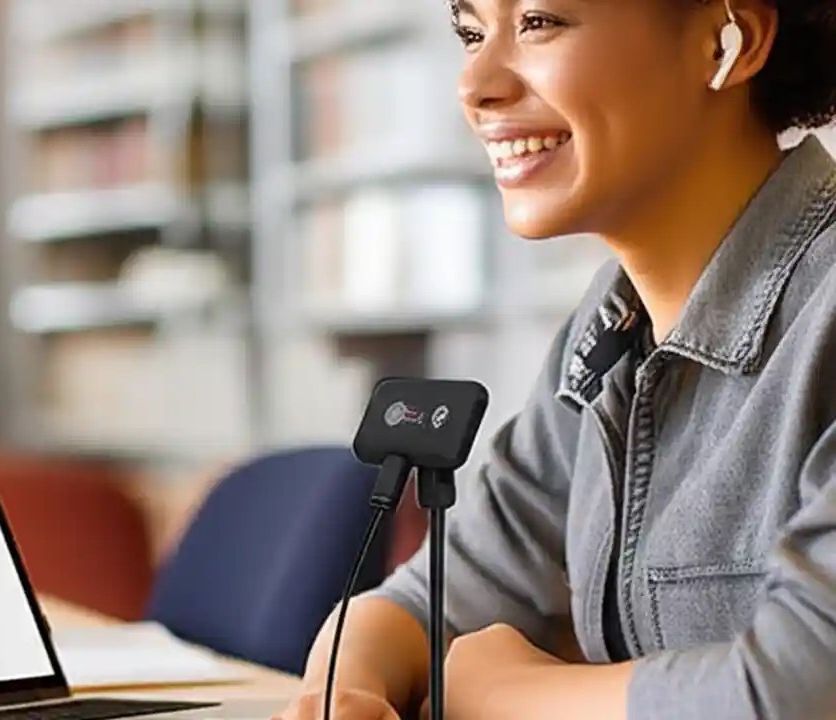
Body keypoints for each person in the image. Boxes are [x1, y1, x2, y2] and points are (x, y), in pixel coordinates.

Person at [277, 0, 836, 718]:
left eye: (539, 21)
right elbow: (434, 595)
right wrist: (346, 692)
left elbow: (801, 691)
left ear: (729, 42)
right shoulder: (608, 332)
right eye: (472, 33)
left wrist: (503, 693)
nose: (474, 85)